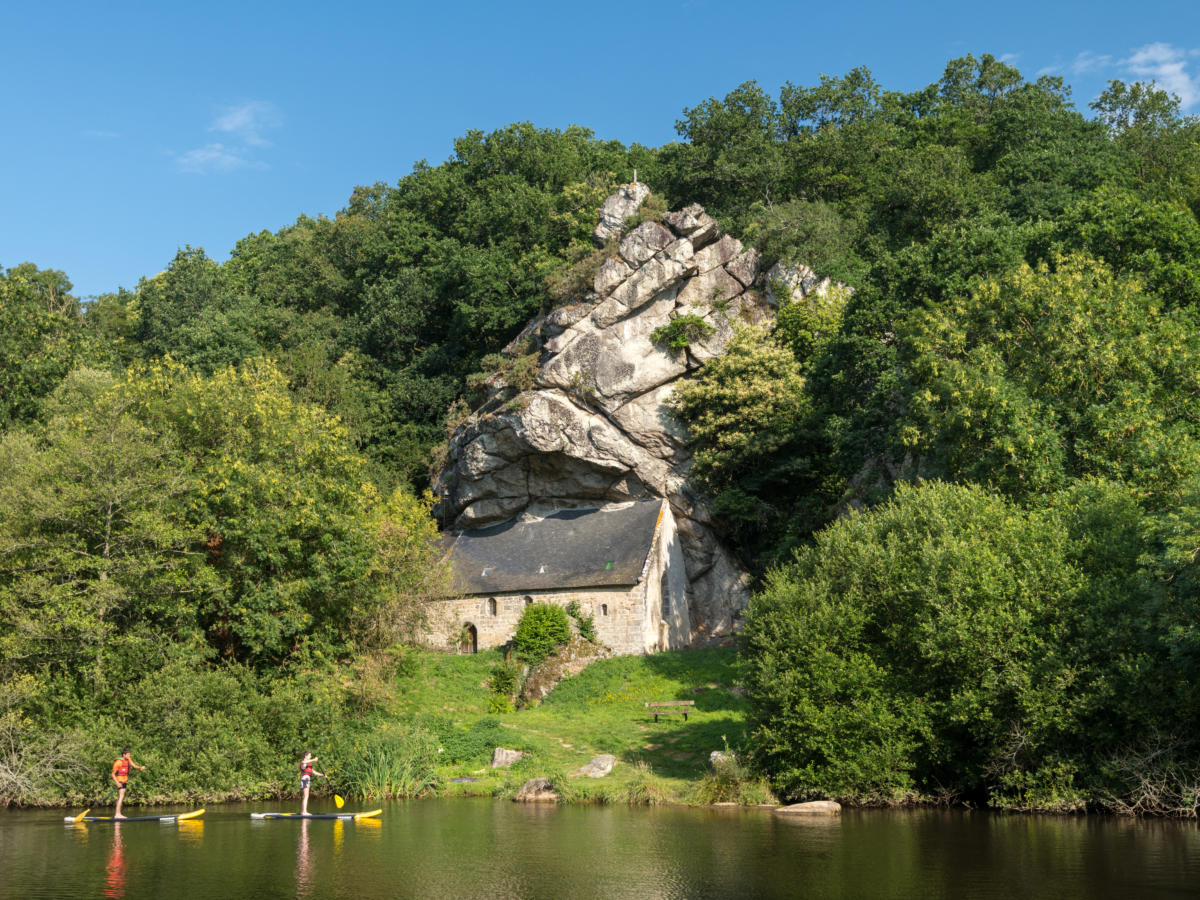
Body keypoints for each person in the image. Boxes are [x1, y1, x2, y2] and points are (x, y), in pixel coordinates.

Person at [111, 747, 146, 819]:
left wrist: (140, 767)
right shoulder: (118, 762)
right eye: (128, 754)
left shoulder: (128, 759)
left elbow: (134, 766)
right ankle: (117, 814)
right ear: (124, 755)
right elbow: (113, 774)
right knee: (121, 796)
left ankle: (118, 814)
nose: (129, 755)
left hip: (124, 780)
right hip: (120, 781)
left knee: (121, 796)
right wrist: (117, 783)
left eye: (129, 754)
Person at [298, 751, 326, 816]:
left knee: (306, 796)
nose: (311, 756)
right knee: (306, 796)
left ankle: (303, 811)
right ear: (306, 756)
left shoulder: (309, 764)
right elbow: (303, 762)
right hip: (305, 780)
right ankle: (304, 812)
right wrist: (313, 759)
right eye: (310, 755)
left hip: (307, 780)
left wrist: (323, 775)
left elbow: (314, 772)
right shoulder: (303, 763)